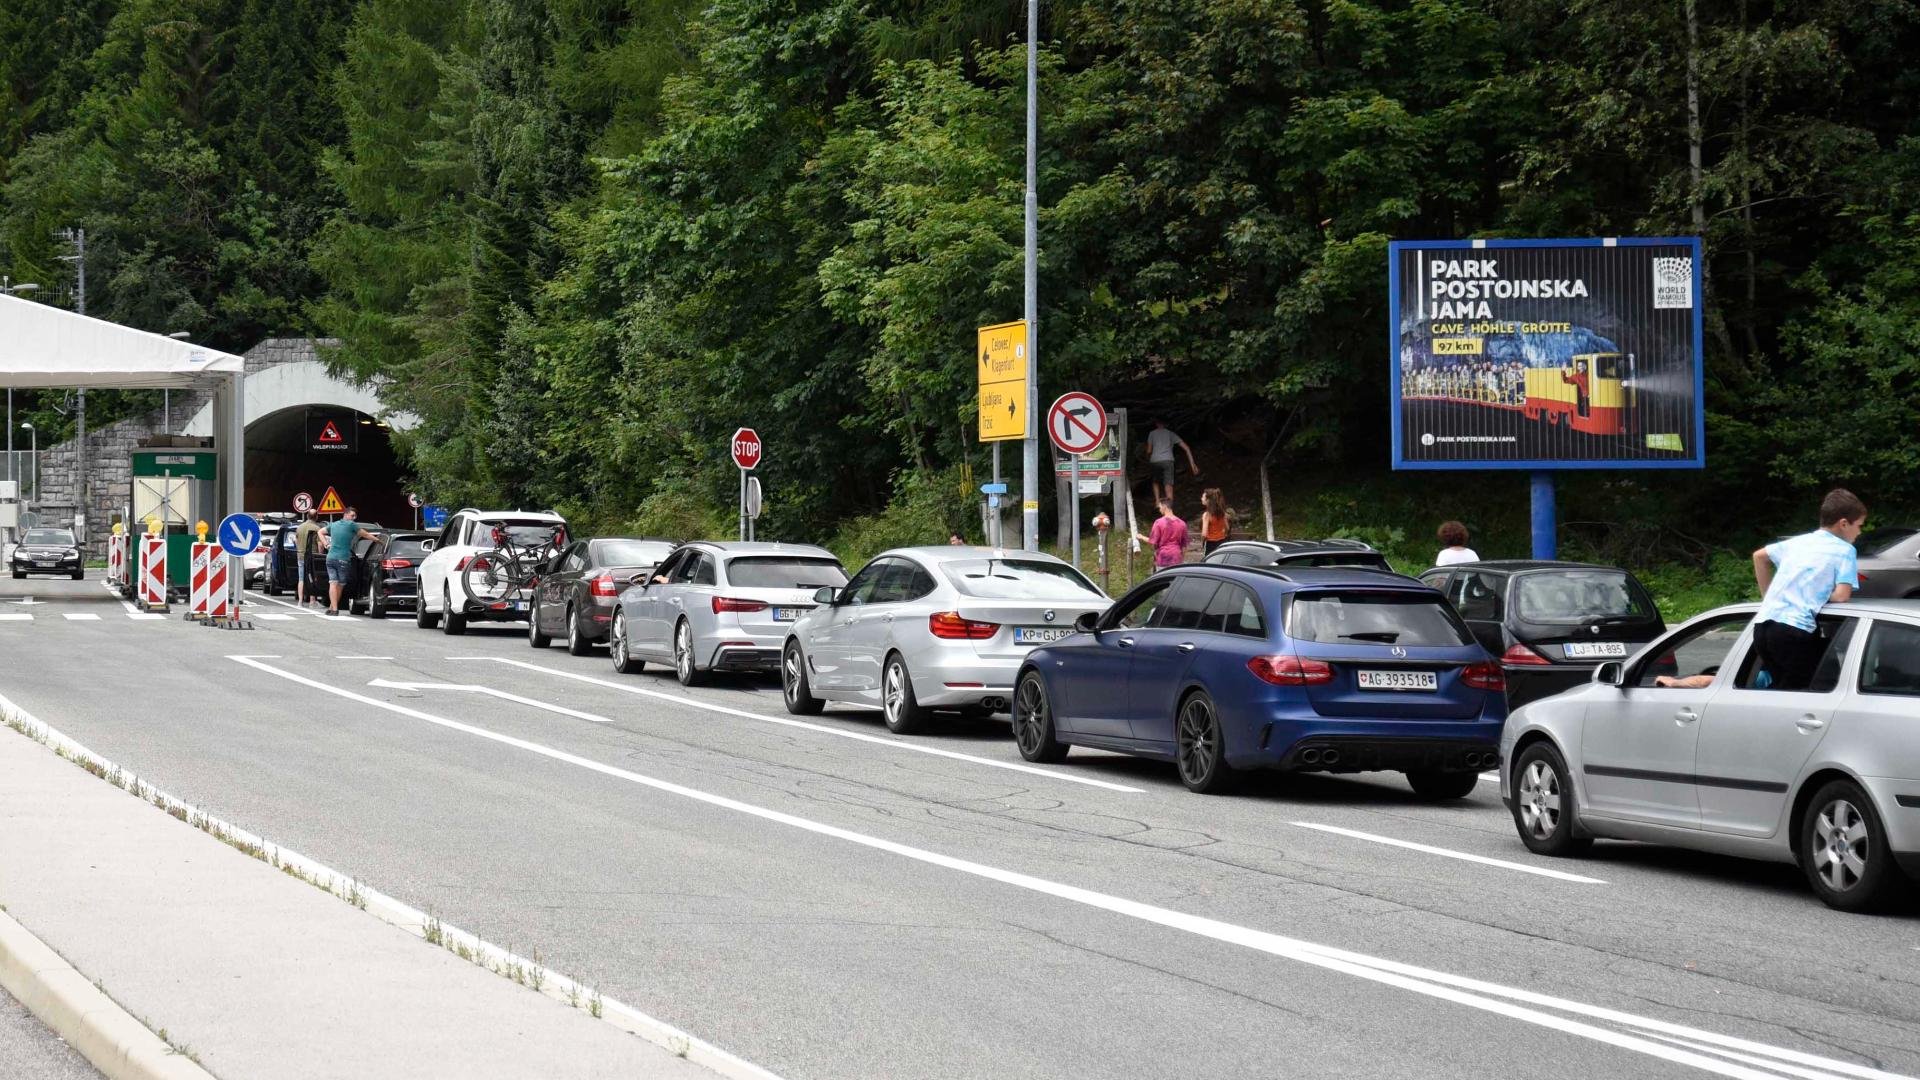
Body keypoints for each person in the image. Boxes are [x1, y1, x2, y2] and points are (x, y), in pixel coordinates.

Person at [1750, 488, 1865, 690]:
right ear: (1844, 523)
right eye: (1859, 526)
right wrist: (1817, 592)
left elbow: (1759, 557)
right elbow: (1842, 596)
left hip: (1762, 627)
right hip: (1793, 629)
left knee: (1781, 689)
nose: (1860, 532)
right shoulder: (1845, 550)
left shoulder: (1799, 542)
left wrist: (1768, 598)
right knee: (1809, 691)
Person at [325, 507, 379, 617]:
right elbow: (365, 534)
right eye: (352, 515)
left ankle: (332, 607)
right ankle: (335, 609)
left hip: (330, 558)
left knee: (333, 583)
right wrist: (377, 540)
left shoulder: (333, 524)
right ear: (345, 514)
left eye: (355, 516)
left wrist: (326, 544)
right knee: (339, 584)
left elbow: (320, 532)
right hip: (343, 559)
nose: (354, 518)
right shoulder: (351, 525)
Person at [1145, 419, 1198, 503]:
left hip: (1155, 461)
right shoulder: (1171, 434)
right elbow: (1186, 448)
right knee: (1168, 483)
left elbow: (1149, 451)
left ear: (1156, 423)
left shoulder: (1152, 434)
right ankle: (1169, 505)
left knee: (1156, 482)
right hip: (1168, 460)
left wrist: (1148, 459)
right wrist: (1193, 464)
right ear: (1166, 424)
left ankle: (1157, 501)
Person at [1134, 500, 1190, 572]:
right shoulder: (1182, 523)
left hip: (1163, 558)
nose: (1159, 510)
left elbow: (1153, 541)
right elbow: (1184, 546)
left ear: (1164, 507)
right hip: (1177, 558)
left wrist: (1141, 537)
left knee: (1163, 581)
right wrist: (1181, 558)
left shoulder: (1159, 522)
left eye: (1160, 507)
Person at [294, 511, 324, 605]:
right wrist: (320, 554)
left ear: (307, 516)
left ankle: (300, 601)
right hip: (312, 556)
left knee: (301, 578)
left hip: (300, 555)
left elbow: (296, 540)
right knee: (312, 578)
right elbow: (320, 544)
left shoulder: (299, 527)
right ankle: (312, 601)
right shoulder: (317, 528)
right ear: (316, 517)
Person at [1199, 488, 1229, 556]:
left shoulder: (1207, 515)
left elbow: (1204, 534)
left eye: (1203, 497)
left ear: (1208, 500)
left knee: (1208, 563)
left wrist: (1202, 542)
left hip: (1210, 543)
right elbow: (1227, 527)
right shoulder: (1222, 513)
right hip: (1222, 541)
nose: (1201, 498)